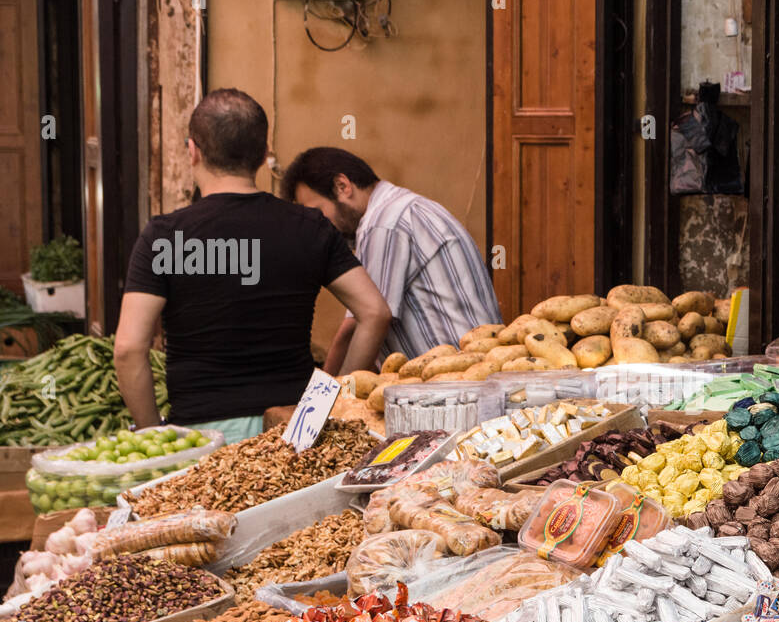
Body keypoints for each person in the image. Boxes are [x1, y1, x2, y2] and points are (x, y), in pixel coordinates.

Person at [114, 89, 391, 444]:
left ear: (192, 150)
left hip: (201, 437)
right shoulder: (309, 227)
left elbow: (127, 349)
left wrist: (153, 436)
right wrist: (330, 406)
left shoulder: (165, 237)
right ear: (264, 155)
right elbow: (375, 312)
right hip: (293, 432)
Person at [282, 147, 502, 373]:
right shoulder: (403, 208)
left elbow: (367, 319)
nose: (320, 226)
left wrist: (331, 399)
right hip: (475, 375)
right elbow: (356, 325)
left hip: (459, 383)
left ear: (342, 186)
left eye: (318, 212)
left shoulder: (384, 223)